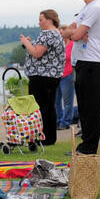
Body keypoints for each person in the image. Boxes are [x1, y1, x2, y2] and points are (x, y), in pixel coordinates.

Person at [61, 0, 100, 155]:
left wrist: (72, 32)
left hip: (91, 61)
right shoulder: (85, 9)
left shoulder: (95, 8)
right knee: (84, 106)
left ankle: (90, 146)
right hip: (82, 61)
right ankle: (85, 144)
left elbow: (75, 34)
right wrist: (73, 31)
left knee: (91, 106)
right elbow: (70, 30)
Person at [20, 10, 65, 145]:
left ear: (49, 20)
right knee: (50, 107)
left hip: (41, 76)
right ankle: (50, 138)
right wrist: (29, 43)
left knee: (39, 108)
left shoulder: (47, 34)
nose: (39, 22)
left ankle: (41, 137)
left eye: (41, 20)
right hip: (53, 76)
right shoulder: (57, 34)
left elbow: (37, 52)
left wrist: (25, 42)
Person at [56, 39, 76, 128]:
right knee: (56, 101)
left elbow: (72, 58)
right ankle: (58, 120)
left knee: (67, 101)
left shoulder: (72, 44)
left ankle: (66, 122)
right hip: (57, 75)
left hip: (68, 75)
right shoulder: (58, 45)